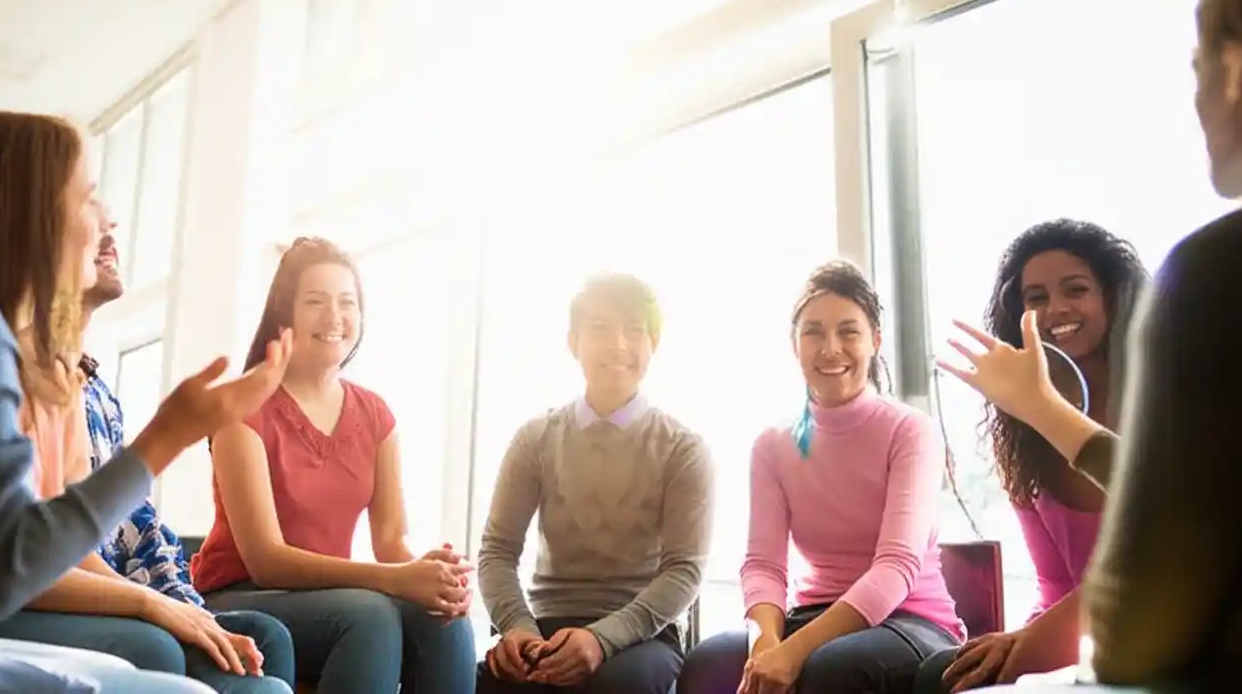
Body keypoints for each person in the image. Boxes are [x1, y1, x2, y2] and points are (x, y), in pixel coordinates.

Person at [943, 0, 1242, 687]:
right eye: (1036, 295)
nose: (1197, 96)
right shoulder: (1021, 438)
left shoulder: (1217, 274)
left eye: (1199, 64)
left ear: (1238, 65)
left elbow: (1132, 626)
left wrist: (1044, 410)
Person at [0, 112, 289, 691]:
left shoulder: (58, 375)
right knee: (162, 657)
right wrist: (169, 435)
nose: (107, 219)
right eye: (88, 197)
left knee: (258, 668)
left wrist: (158, 600)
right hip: (3, 606)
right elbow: (4, 567)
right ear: (32, 213)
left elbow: (53, 540)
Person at [192, 236, 476, 694]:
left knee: (445, 618)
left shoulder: (376, 415)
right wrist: (395, 579)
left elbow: (390, 542)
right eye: (315, 302)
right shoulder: (242, 408)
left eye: (347, 303)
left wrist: (429, 576)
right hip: (241, 593)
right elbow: (266, 561)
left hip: (330, 597)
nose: (334, 318)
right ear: (285, 315)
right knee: (371, 615)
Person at [677, 261, 961, 694]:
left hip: (912, 621)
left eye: (848, 331)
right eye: (813, 332)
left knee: (830, 669)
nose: (830, 349)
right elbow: (763, 565)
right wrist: (765, 642)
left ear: (874, 342)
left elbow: (896, 567)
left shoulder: (910, 430)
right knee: (709, 664)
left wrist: (792, 653)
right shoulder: (772, 444)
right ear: (794, 346)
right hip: (811, 614)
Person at [918, 221, 1148, 692]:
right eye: (1035, 297)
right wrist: (1015, 643)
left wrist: (1023, 648)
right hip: (1073, 630)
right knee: (940, 673)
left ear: (1112, 297)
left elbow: (1150, 554)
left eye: (1076, 289)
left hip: (1147, 622)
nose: (1055, 309)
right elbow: (1054, 586)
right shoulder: (1024, 435)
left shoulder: (1159, 405)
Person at [476, 272, 712, 694]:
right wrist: (517, 627)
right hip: (545, 625)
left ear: (653, 344)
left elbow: (684, 571)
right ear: (574, 342)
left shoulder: (682, 449)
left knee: (618, 685)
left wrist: (601, 639)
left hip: (642, 635)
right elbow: (497, 551)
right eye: (600, 329)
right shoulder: (536, 439)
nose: (618, 344)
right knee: (485, 683)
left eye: (634, 330)